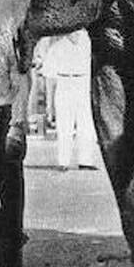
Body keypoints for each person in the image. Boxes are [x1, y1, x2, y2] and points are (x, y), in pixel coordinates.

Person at [41, 30, 97, 170]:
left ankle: (86, 161)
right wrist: (49, 104)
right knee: (64, 125)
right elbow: (49, 77)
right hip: (64, 83)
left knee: (87, 125)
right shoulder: (57, 47)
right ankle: (63, 161)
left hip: (84, 84)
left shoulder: (89, 44)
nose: (75, 34)